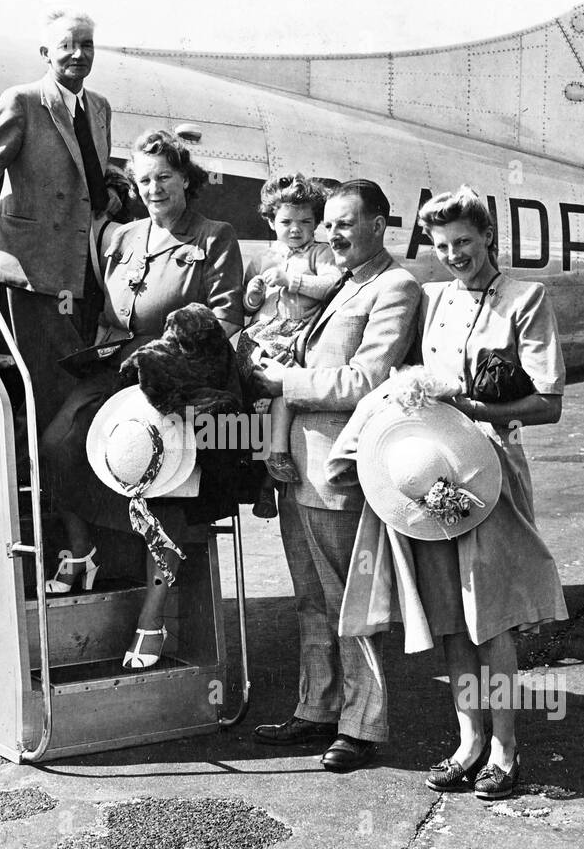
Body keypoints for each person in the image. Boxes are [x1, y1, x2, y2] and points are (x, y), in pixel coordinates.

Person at [330, 185, 569, 799]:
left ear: (489, 237)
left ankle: (506, 751)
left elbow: (549, 404)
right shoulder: (432, 299)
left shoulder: (525, 298)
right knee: (452, 621)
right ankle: (468, 743)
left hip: (489, 475)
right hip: (431, 476)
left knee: (492, 621)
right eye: (442, 245)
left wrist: (465, 402)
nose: (455, 253)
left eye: (464, 241)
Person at [38, 129, 244, 669]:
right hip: (114, 366)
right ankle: (82, 554)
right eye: (145, 179)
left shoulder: (214, 236)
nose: (154, 189)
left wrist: (174, 357)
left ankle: (153, 617)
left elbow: (226, 318)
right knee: (57, 442)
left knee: (164, 486)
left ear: (185, 180)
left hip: (178, 376)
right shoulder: (120, 237)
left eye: (165, 178)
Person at [249, 179, 420, 772]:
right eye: (330, 225)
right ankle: (316, 709)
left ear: (379, 225)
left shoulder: (394, 287)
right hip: (298, 464)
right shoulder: (344, 283)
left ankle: (363, 725)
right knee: (310, 599)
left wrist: (282, 383)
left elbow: (367, 380)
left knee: (352, 600)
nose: (333, 234)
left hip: (340, 466)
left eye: (346, 223)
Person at [0, 9, 116, 430]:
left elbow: (89, 168)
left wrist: (109, 194)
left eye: (87, 45)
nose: (78, 54)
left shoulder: (99, 107)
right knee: (52, 376)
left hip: (81, 262)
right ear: (45, 53)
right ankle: (49, 473)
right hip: (33, 262)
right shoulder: (22, 101)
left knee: (72, 365)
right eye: (66, 46)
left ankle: (57, 463)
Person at [237, 174, 342, 518]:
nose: (295, 229)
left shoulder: (321, 253)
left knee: (284, 388)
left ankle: (277, 456)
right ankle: (255, 475)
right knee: (250, 399)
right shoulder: (262, 257)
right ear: (270, 220)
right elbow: (247, 307)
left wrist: (292, 280)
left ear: (316, 224)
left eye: (305, 222)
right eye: (286, 221)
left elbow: (330, 286)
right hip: (261, 336)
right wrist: (252, 297)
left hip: (293, 338)